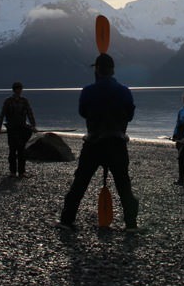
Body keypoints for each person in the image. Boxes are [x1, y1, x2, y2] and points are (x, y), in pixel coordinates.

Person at [58, 54, 139, 232]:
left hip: (93, 143)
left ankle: (66, 220)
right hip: (117, 143)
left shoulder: (88, 91)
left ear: (97, 70)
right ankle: (131, 224)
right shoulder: (124, 91)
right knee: (123, 184)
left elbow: (83, 112)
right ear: (113, 70)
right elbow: (130, 116)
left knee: (80, 183)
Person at [0, 81, 37, 178]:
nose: (19, 91)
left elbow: (30, 113)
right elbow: (2, 114)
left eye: (20, 89)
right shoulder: (8, 101)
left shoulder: (24, 101)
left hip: (22, 129)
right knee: (12, 151)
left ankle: (22, 172)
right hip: (11, 129)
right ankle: (12, 172)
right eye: (17, 89)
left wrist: (33, 125)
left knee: (21, 151)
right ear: (14, 90)